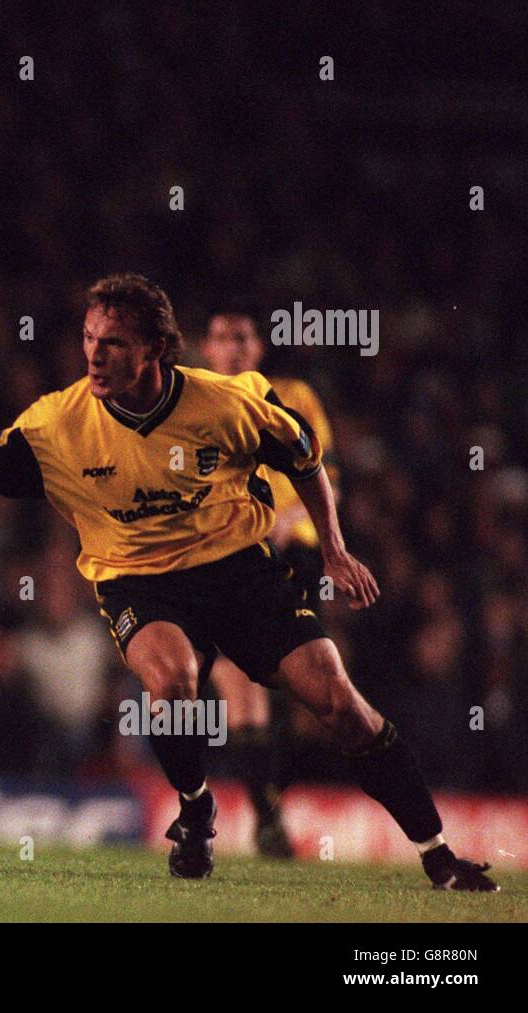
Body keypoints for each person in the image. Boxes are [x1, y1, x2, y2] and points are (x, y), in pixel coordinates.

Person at [0, 273, 496, 890]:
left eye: (115, 342)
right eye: (89, 338)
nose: (95, 354)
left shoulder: (227, 405)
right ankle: (197, 805)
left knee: (340, 703)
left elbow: (307, 463)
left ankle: (438, 854)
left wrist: (333, 550)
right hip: (137, 579)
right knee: (173, 678)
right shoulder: (57, 424)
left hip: (238, 572)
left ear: (155, 349)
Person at [197, 309, 338, 858]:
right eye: (221, 337)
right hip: (226, 559)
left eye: (243, 335)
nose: (232, 346)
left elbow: (326, 476)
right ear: (204, 348)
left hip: (292, 559)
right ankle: (266, 818)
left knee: (316, 694)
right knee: (238, 686)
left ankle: (269, 804)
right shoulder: (191, 402)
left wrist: (296, 526)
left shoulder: (293, 395)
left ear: (258, 346)